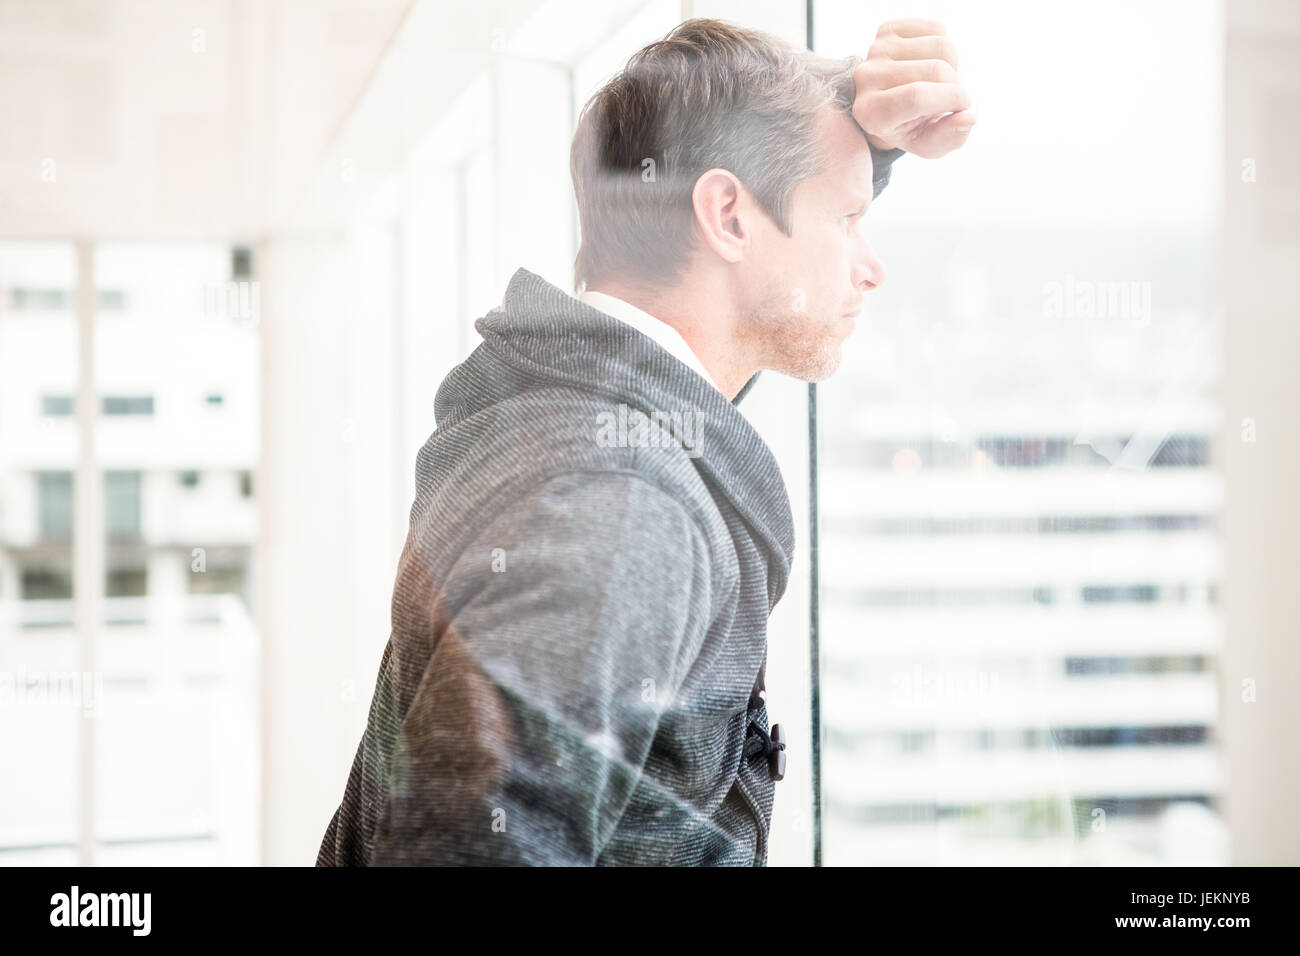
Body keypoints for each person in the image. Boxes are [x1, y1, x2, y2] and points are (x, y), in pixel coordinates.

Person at [316, 16, 974, 866]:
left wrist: (854, 116)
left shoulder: (553, 408)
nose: (870, 264)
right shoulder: (620, 504)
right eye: (848, 217)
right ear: (728, 214)